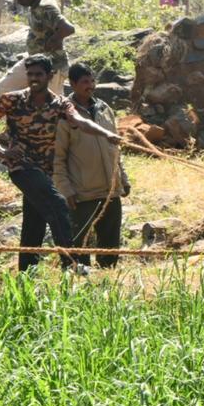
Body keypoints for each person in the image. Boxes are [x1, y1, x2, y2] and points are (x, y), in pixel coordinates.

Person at [0, 55, 121, 273]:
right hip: (21, 168)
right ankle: (72, 265)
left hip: (45, 171)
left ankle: (27, 275)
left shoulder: (60, 104)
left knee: (34, 224)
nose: (34, 78)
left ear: (50, 76)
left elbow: (80, 122)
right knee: (58, 205)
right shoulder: (11, 100)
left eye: (39, 74)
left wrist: (106, 133)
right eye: (30, 74)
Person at [54, 63, 131, 268]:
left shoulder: (105, 109)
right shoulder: (65, 115)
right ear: (72, 84)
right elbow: (57, 158)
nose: (90, 86)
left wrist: (123, 179)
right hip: (82, 193)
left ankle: (107, 286)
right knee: (80, 247)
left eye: (92, 81)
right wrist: (66, 190)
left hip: (110, 191)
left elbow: (115, 149)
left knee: (110, 248)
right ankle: (81, 288)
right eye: (84, 82)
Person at [0, 0, 74, 95]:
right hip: (33, 60)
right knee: (5, 88)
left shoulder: (45, 7)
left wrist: (53, 40)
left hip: (51, 64)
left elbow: (68, 28)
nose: (18, 2)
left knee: (53, 104)